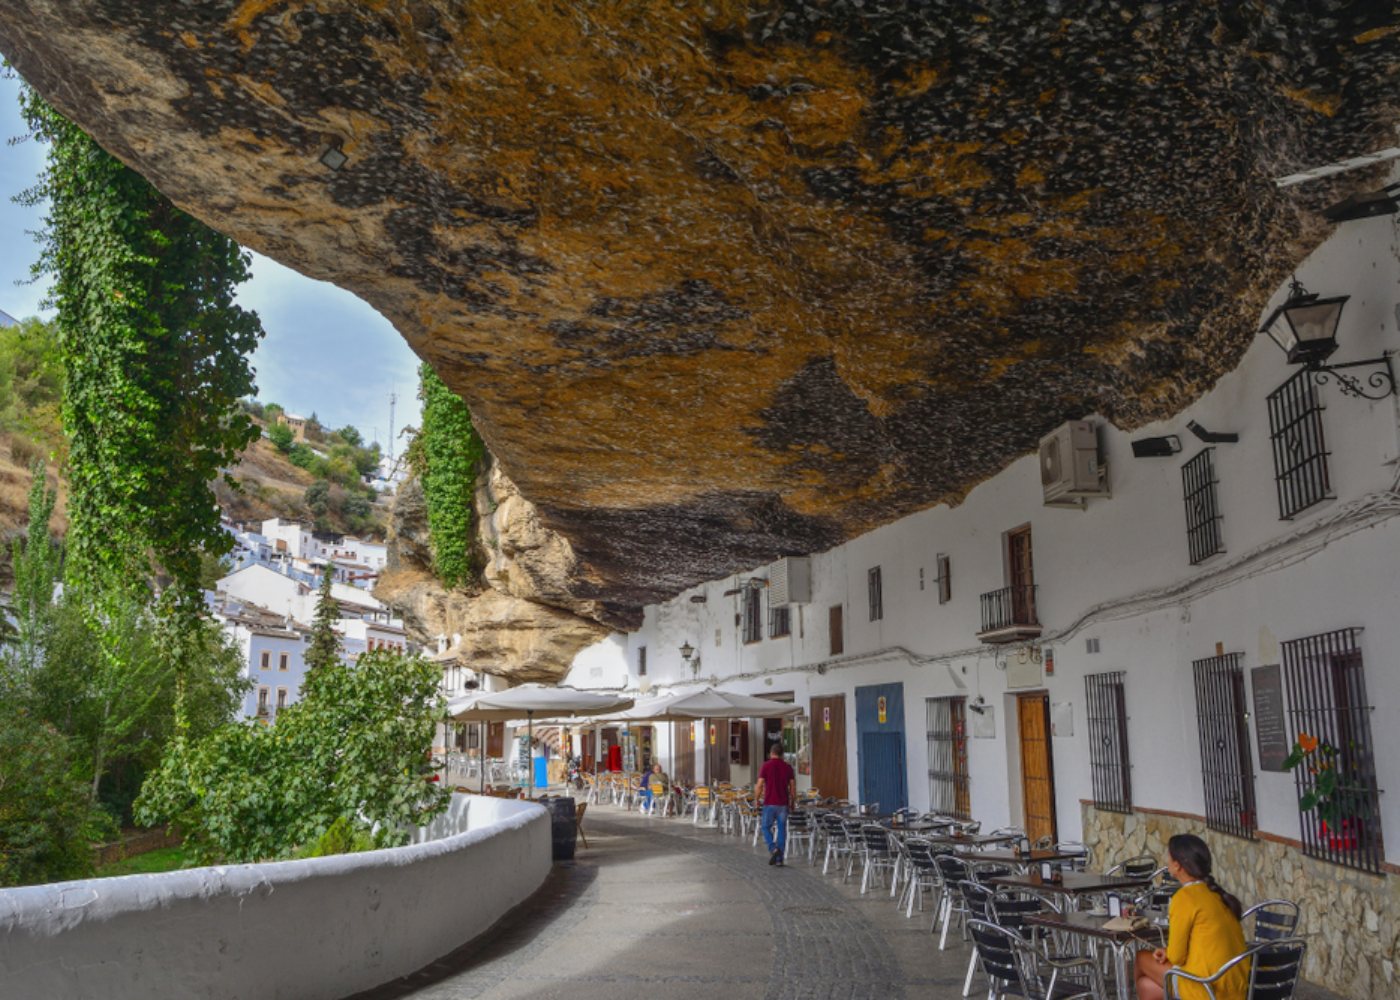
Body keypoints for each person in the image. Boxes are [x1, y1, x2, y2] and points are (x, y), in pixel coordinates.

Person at [1135, 834, 1248, 1000]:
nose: (1167, 861)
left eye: (1169, 856)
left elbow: (1178, 957)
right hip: (1235, 987)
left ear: (1178, 865)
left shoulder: (1185, 897)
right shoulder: (1217, 894)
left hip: (1205, 987)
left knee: (1141, 958)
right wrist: (1168, 951)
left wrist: (1170, 953)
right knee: (1147, 986)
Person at [754, 743, 796, 866]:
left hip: (770, 803)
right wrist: (793, 801)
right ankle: (779, 859)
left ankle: (773, 849)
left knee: (765, 827)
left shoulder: (766, 766)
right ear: (782, 754)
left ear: (771, 753)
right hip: (783, 804)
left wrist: (756, 799)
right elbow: (792, 787)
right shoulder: (788, 767)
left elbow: (760, 784)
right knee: (782, 829)